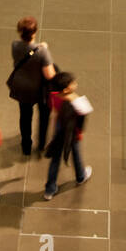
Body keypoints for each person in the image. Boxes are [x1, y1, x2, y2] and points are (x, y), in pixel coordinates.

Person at [8, 16, 55, 156]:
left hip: (22, 88)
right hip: (39, 90)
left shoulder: (15, 45)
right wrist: (43, 48)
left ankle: (26, 146)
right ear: (34, 32)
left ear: (19, 32)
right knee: (44, 117)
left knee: (25, 116)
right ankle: (41, 144)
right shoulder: (42, 52)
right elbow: (50, 75)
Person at [43, 71, 92, 200]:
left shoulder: (53, 95)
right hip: (71, 131)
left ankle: (50, 189)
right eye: (73, 83)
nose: (75, 84)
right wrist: (74, 97)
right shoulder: (76, 102)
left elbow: (53, 108)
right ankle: (80, 176)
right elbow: (85, 111)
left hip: (59, 126)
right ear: (66, 89)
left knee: (55, 159)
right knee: (76, 153)